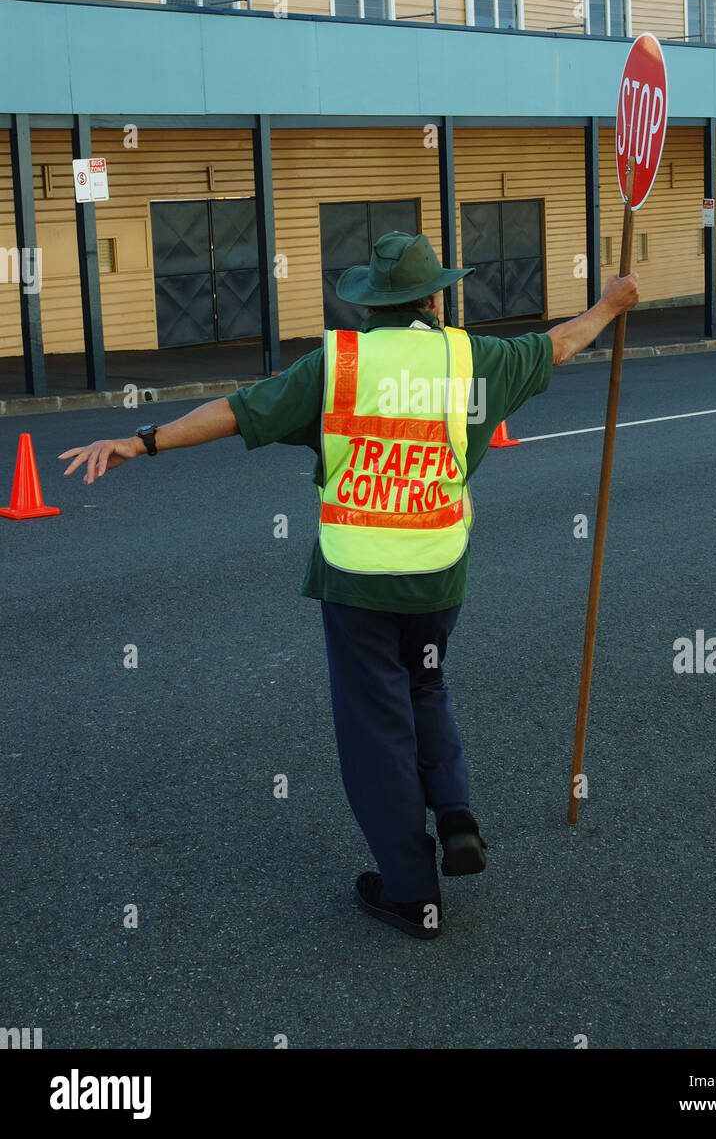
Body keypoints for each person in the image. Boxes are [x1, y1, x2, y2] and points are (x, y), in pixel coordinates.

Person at [60, 232, 638, 941]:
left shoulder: (336, 364)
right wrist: (610, 304)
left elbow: (236, 412)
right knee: (426, 685)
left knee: (376, 734)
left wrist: (138, 441)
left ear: (369, 301)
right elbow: (555, 345)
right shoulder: (471, 358)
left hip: (358, 580)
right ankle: (455, 813)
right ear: (434, 296)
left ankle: (412, 895)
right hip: (437, 572)